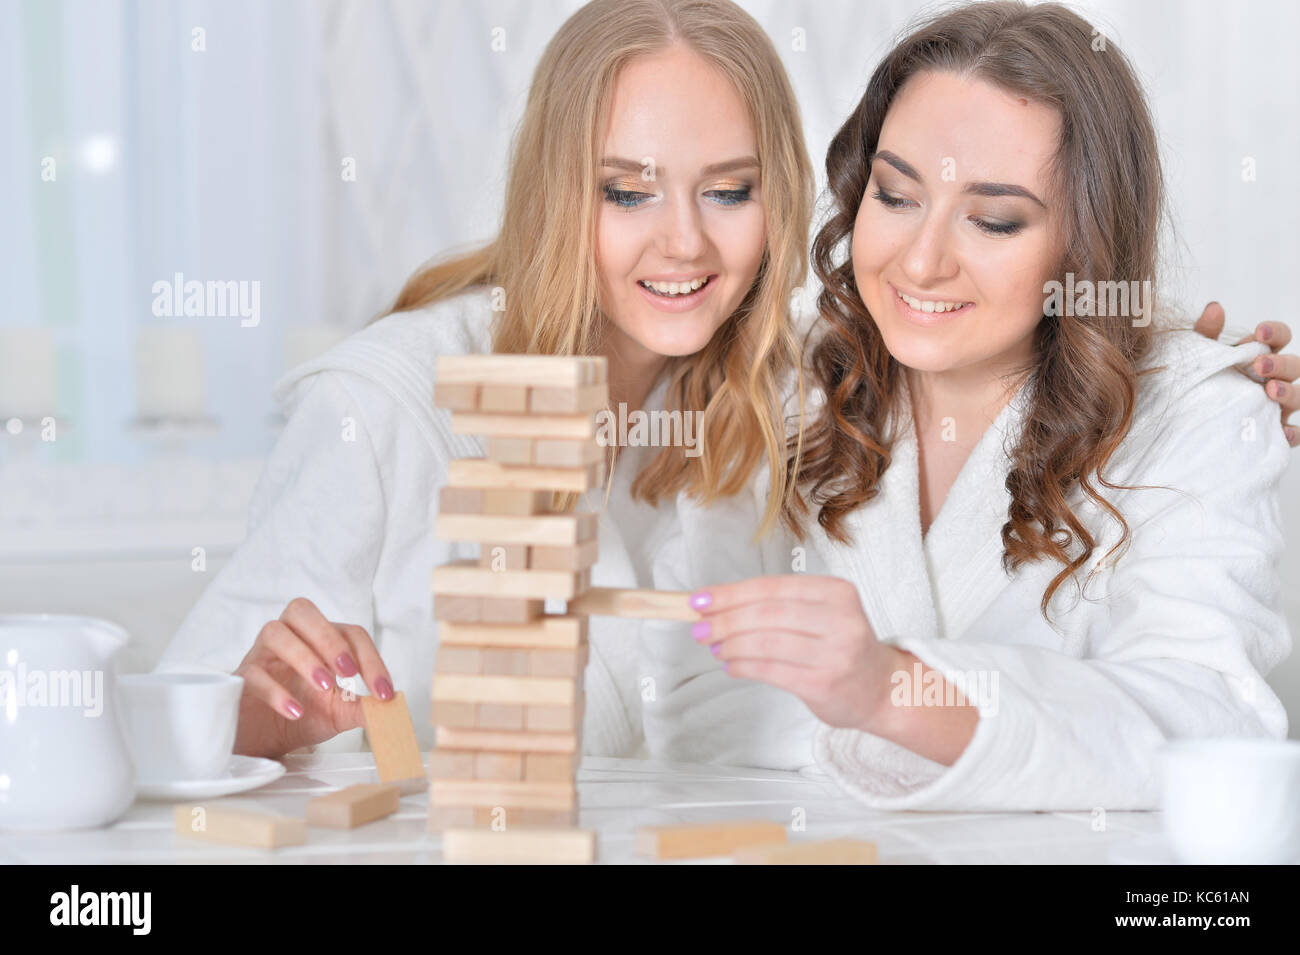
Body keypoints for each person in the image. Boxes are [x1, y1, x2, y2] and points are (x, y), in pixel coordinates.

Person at [159, 0, 1296, 768]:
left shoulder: (769, 400)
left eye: (730, 191)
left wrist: (1181, 374)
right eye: (625, 191)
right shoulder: (391, 409)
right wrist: (261, 714)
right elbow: (180, 727)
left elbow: (1209, 718)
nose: (683, 246)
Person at [665, 0, 1296, 810]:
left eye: (994, 221)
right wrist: (1032, 729)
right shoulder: (776, 394)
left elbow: (1211, 725)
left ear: (1086, 243)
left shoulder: (1199, 417)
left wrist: (893, 691)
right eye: (895, 197)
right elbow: (686, 705)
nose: (921, 261)